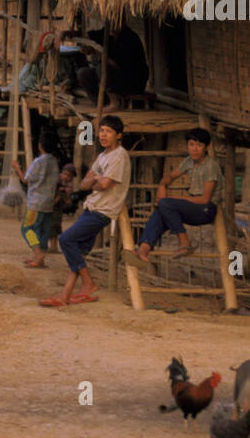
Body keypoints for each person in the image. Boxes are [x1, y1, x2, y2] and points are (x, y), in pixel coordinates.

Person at [44, 115, 129, 307]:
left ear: (119, 136)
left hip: (102, 210)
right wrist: (95, 181)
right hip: (92, 206)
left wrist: (95, 181)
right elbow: (83, 185)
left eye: (108, 131)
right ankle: (65, 296)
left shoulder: (120, 156)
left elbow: (105, 184)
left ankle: (89, 283)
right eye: (101, 131)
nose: (103, 135)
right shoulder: (102, 156)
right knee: (78, 254)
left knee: (66, 240)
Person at [126, 127, 220, 268]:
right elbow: (170, 176)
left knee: (165, 204)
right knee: (160, 212)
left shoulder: (211, 166)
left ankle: (184, 242)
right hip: (192, 209)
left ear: (206, 147)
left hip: (206, 210)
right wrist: (162, 186)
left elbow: (205, 199)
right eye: (191, 144)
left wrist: (172, 200)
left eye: (199, 145)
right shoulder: (189, 161)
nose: (194, 149)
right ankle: (143, 250)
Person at [13, 128, 61, 268]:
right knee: (43, 230)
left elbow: (26, 180)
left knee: (27, 228)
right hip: (48, 203)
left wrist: (17, 168)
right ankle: (39, 258)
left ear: (40, 145)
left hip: (35, 203)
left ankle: (38, 253)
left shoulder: (39, 161)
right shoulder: (54, 161)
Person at [75, 24, 148, 112]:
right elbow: (87, 36)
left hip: (131, 81)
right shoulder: (106, 33)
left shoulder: (130, 38)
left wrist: (101, 55)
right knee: (83, 73)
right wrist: (86, 46)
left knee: (102, 68)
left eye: (115, 23)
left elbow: (122, 66)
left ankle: (114, 102)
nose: (112, 27)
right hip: (113, 79)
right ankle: (100, 102)